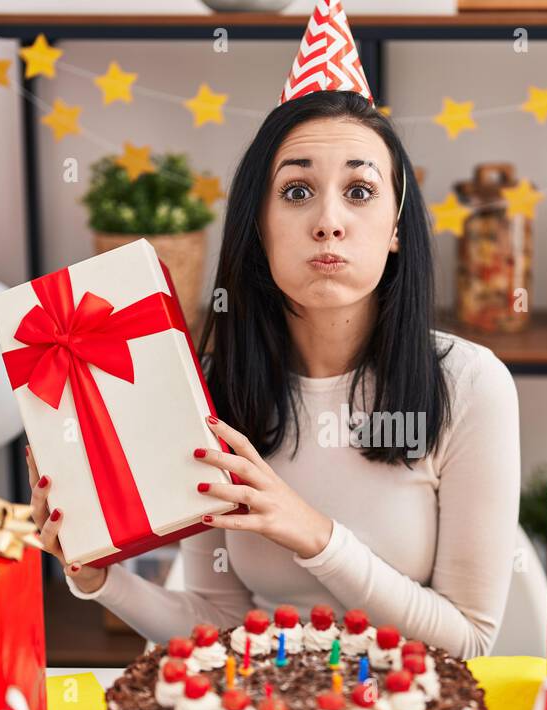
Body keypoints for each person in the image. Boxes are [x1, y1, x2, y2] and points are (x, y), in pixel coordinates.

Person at [26, 8, 519, 660]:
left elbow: (471, 642)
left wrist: (315, 536)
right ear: (258, 226)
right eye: (296, 191)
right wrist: (98, 579)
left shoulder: (469, 383)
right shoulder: (214, 385)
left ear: (397, 229)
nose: (329, 221)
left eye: (361, 190)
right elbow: (217, 623)